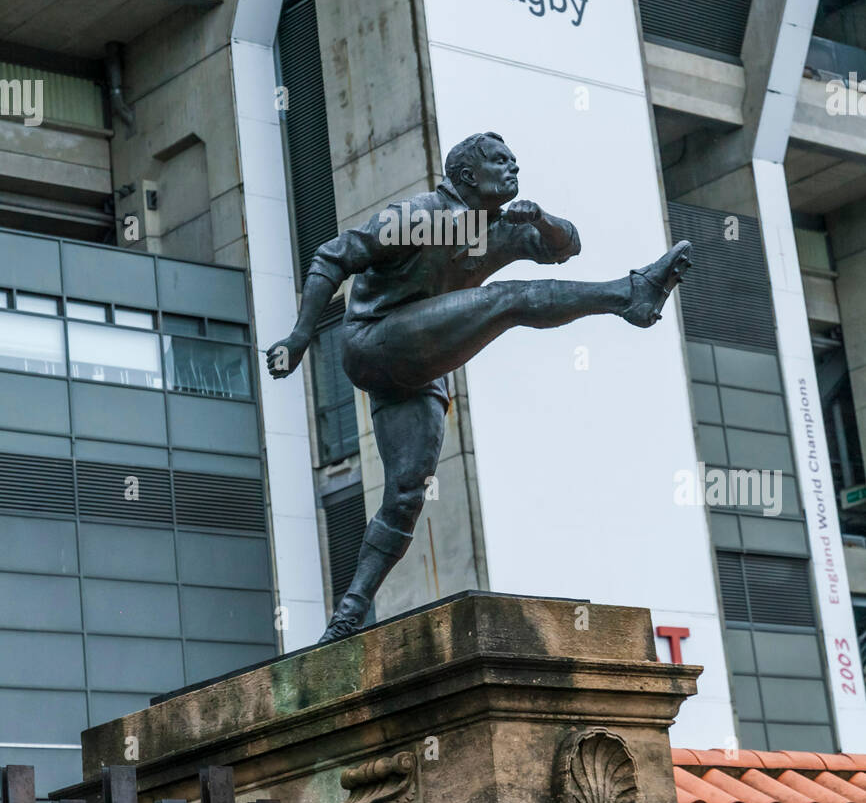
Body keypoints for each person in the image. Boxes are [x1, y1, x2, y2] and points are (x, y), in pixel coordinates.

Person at [267, 131, 692, 642]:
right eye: (500, 162)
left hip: (418, 369)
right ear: (468, 176)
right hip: (374, 342)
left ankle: (346, 619)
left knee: (405, 494)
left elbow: (567, 246)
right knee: (507, 299)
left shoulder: (504, 226)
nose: (513, 169)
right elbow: (331, 256)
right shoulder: (420, 216)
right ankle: (632, 295)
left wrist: (540, 219)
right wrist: (298, 335)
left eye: (515, 160)